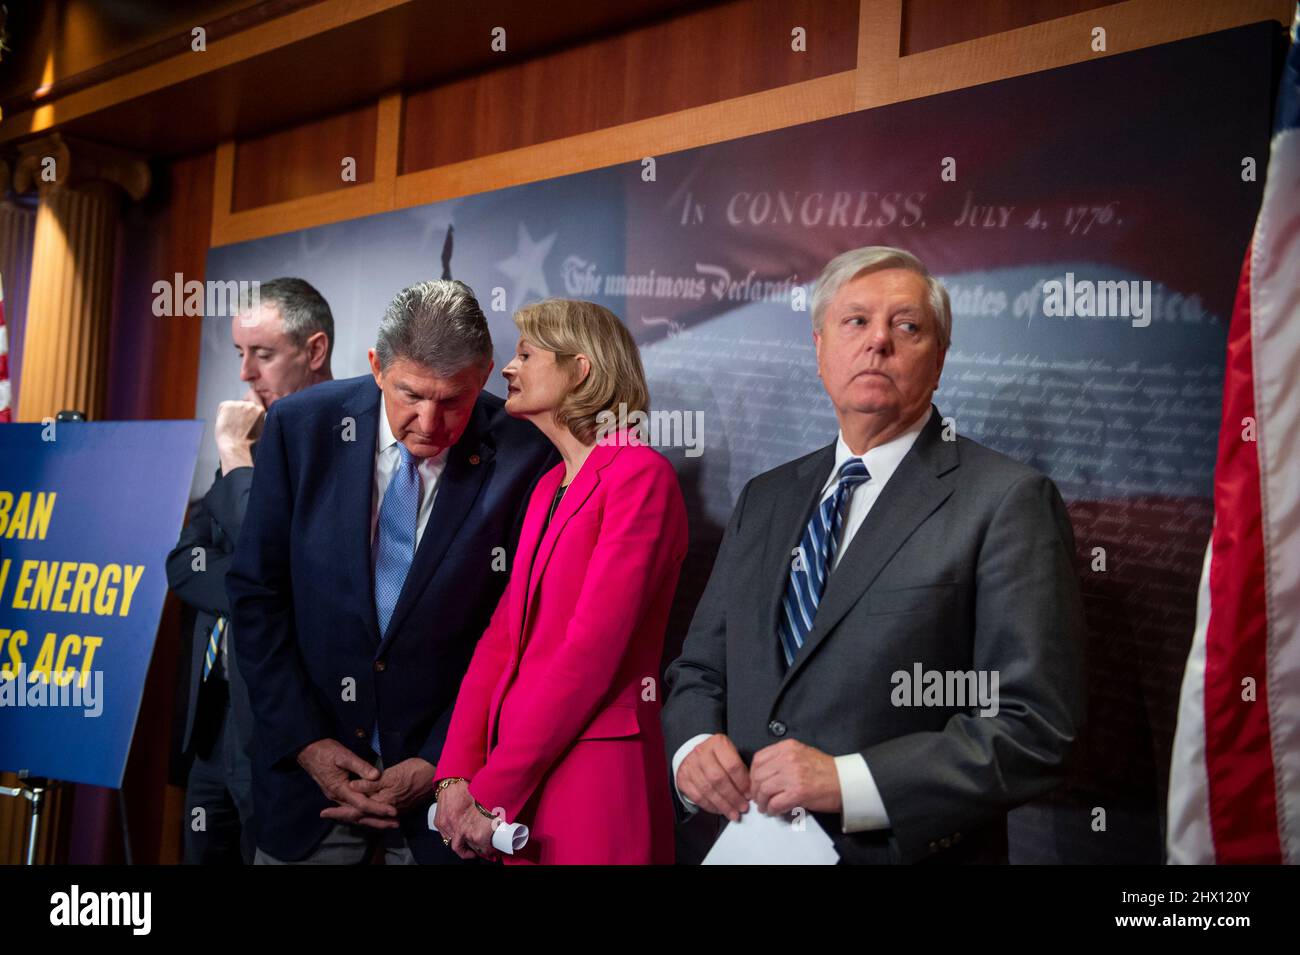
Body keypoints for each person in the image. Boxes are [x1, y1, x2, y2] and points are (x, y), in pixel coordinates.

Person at [661, 246, 1085, 864]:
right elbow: (699, 668)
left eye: (907, 326)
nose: (878, 341)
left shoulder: (1007, 501)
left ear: (938, 360)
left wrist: (851, 782)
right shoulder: (765, 498)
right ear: (819, 347)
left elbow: (1033, 725)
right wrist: (692, 744)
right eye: (855, 321)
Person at [226, 279, 555, 865]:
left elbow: (520, 630)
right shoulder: (301, 429)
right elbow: (257, 596)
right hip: (308, 795)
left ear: (484, 376)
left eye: (453, 400)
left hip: (447, 803)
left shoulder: (526, 452)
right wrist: (306, 743)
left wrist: (439, 758)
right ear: (377, 367)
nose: (429, 422)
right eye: (410, 394)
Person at [433, 298, 687, 865]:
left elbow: (591, 652)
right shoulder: (549, 486)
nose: (508, 369)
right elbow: (500, 640)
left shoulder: (639, 476)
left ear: (581, 369)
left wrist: (492, 787)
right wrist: (455, 775)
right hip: (519, 776)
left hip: (593, 778)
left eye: (526, 354)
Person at [166, 277, 334, 864]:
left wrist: (234, 455)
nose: (244, 374)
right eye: (240, 353)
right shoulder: (255, 436)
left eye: (261, 354)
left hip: (279, 736)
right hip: (211, 725)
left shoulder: (342, 438)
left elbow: (285, 569)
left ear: (314, 352)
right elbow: (184, 563)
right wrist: (254, 590)